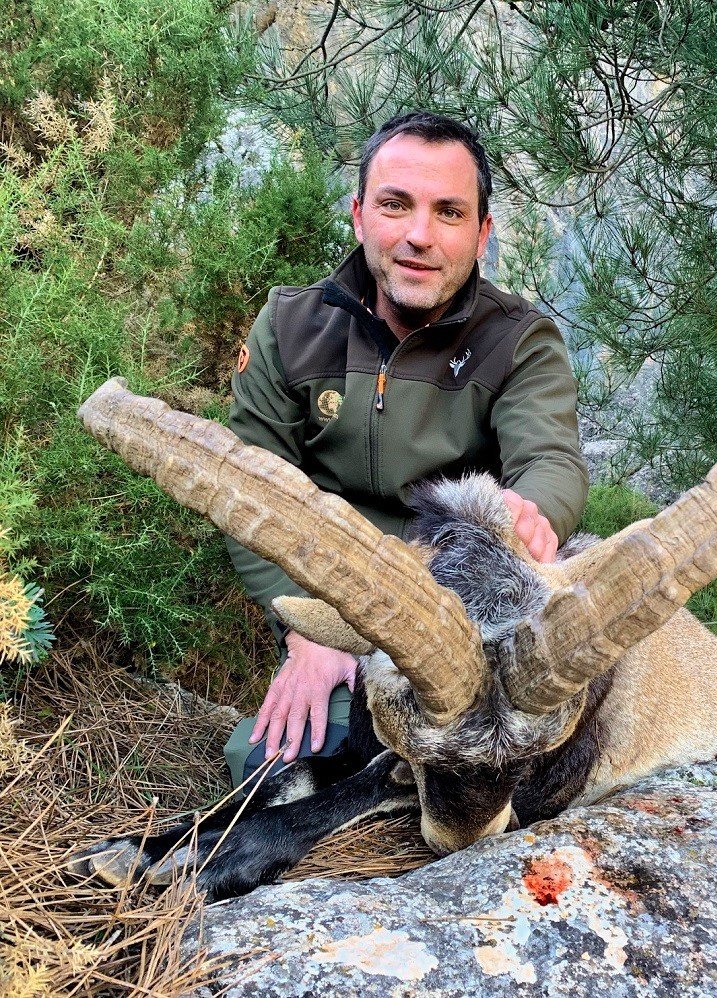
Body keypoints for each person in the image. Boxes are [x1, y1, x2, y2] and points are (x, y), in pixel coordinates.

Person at [223, 110, 589, 790]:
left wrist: (531, 513)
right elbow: (247, 490)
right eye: (396, 205)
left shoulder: (520, 342)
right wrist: (311, 632)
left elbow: (552, 462)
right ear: (359, 215)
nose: (420, 235)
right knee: (265, 765)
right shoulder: (291, 326)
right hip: (337, 606)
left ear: (481, 234)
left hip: (454, 623)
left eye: (449, 212)